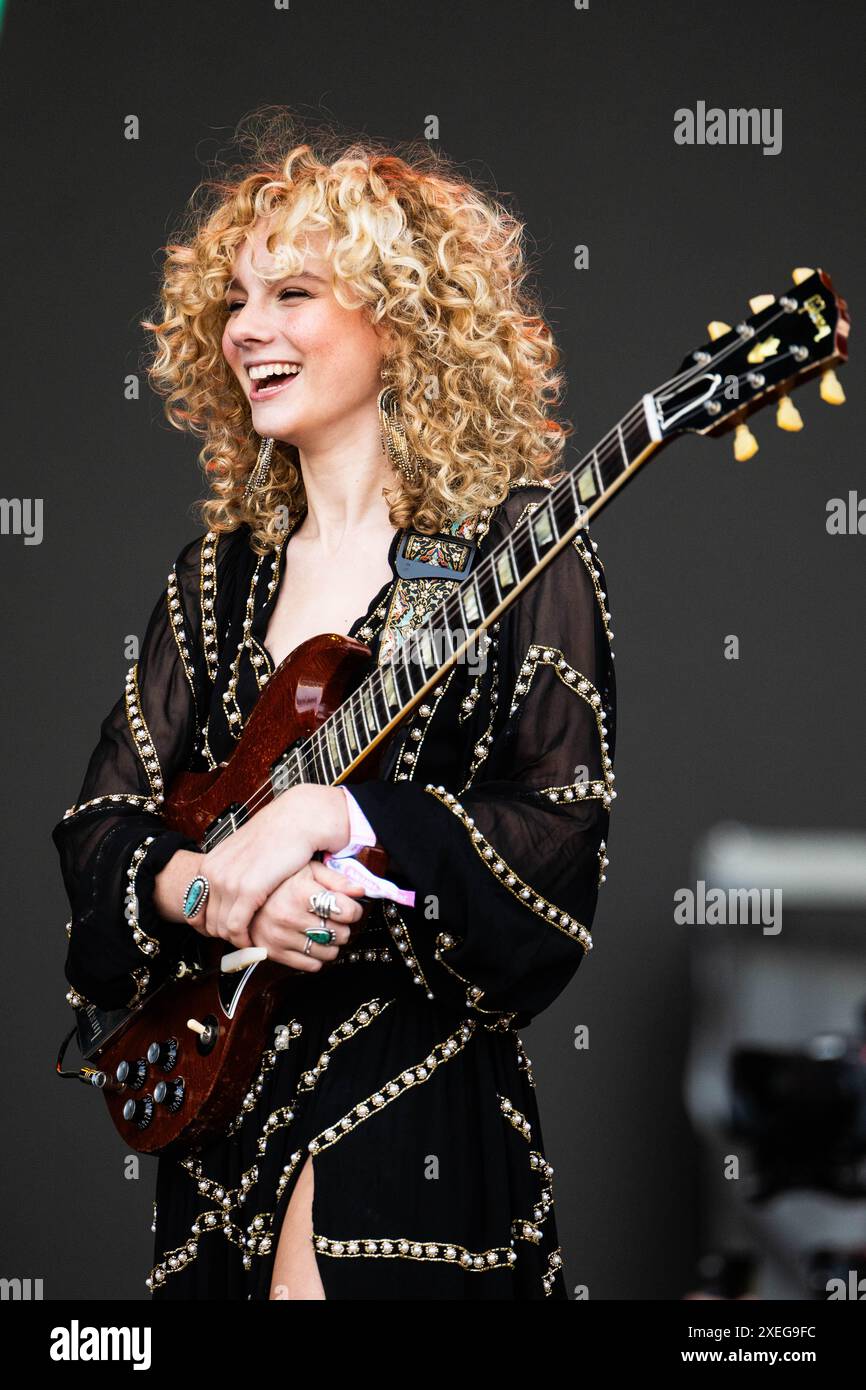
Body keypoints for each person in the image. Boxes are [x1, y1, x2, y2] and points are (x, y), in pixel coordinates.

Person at [51, 115, 616, 1300]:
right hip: (218, 1107)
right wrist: (222, 890)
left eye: (293, 292)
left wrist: (336, 821)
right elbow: (102, 825)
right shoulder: (214, 582)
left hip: (408, 1098)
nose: (246, 329)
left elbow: (559, 842)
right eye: (236, 300)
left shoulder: (518, 553)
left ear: (397, 318)